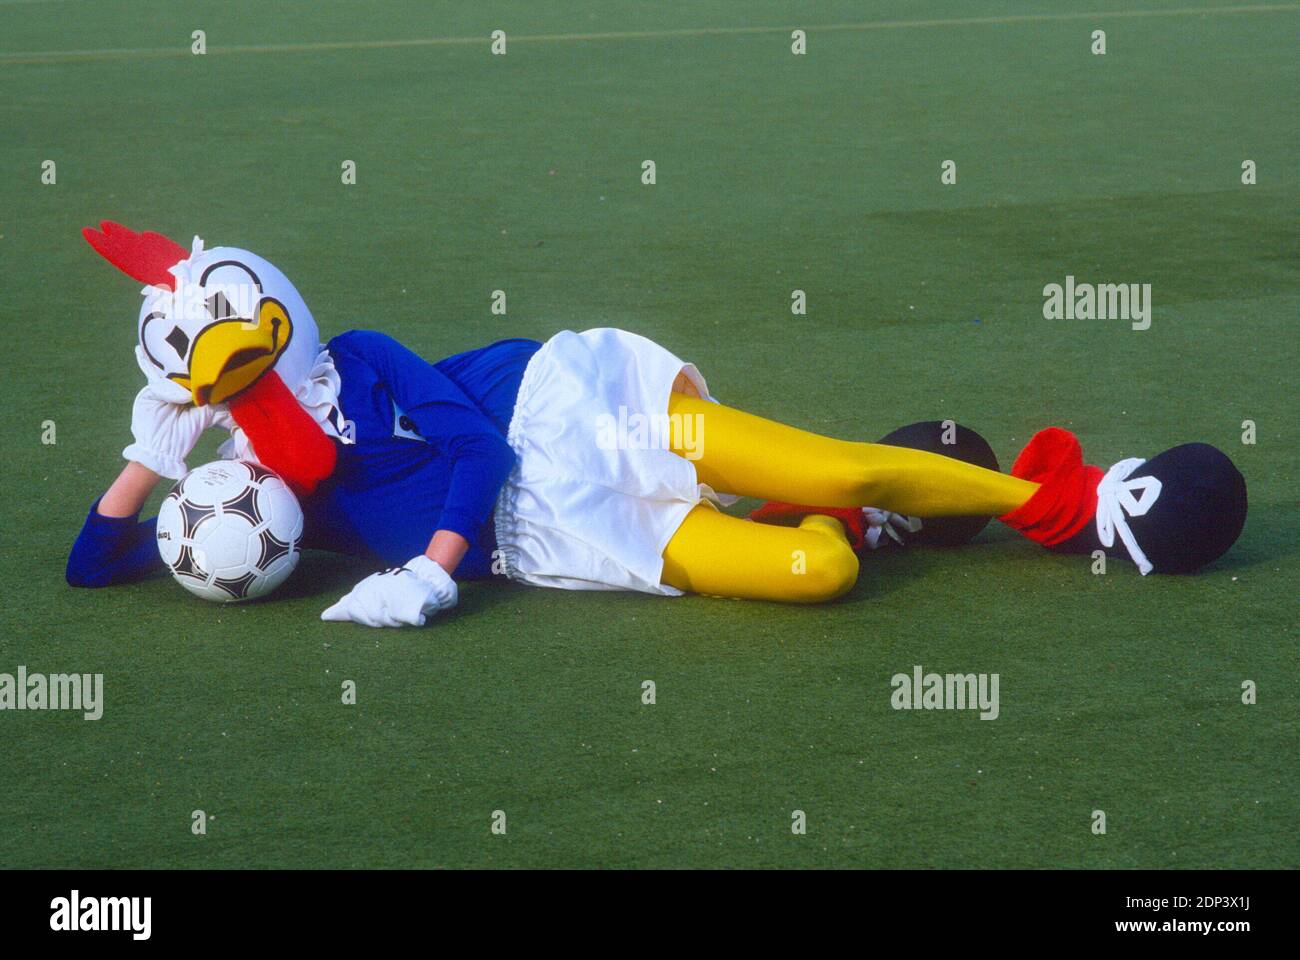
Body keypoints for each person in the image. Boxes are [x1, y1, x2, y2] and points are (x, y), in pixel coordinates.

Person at [68, 223, 1248, 627]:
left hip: (569, 418)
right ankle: (875, 520)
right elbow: (92, 569)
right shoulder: (257, 496)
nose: (231, 371)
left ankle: (1074, 501)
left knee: (822, 457)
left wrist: (430, 572)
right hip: (553, 541)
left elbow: (472, 449)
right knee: (815, 568)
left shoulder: (365, 356)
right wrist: (143, 459)